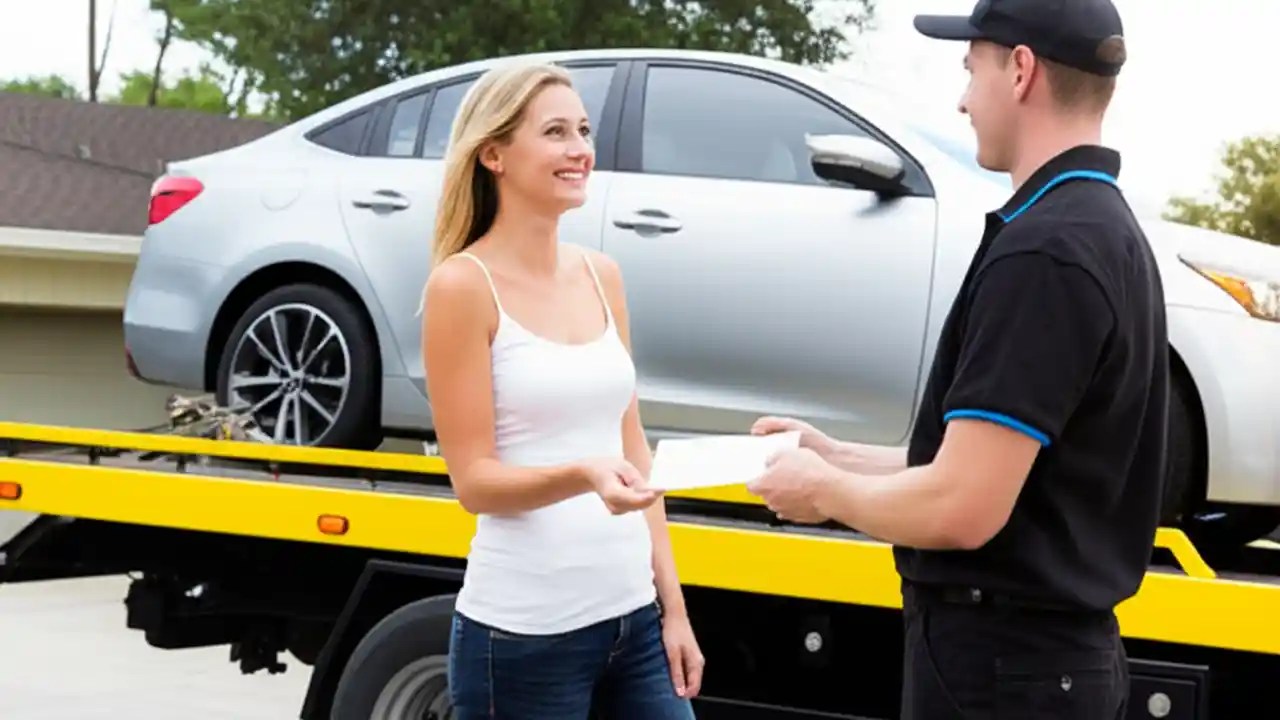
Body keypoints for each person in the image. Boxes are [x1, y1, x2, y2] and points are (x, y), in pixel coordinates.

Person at [746, 0, 1167, 718]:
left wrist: (822, 492)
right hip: (1045, 662)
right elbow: (992, 467)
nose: (963, 98)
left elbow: (963, 506)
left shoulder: (1047, 249)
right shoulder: (1105, 231)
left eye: (972, 70)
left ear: (1022, 70)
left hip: (1005, 669)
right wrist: (837, 456)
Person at [421, 61, 703, 718]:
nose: (580, 150)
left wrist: (674, 610)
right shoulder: (463, 287)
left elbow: (637, 458)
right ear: (493, 152)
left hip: (633, 622)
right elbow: (474, 483)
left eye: (582, 129)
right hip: (522, 639)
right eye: (555, 132)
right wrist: (582, 473)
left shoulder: (603, 275)